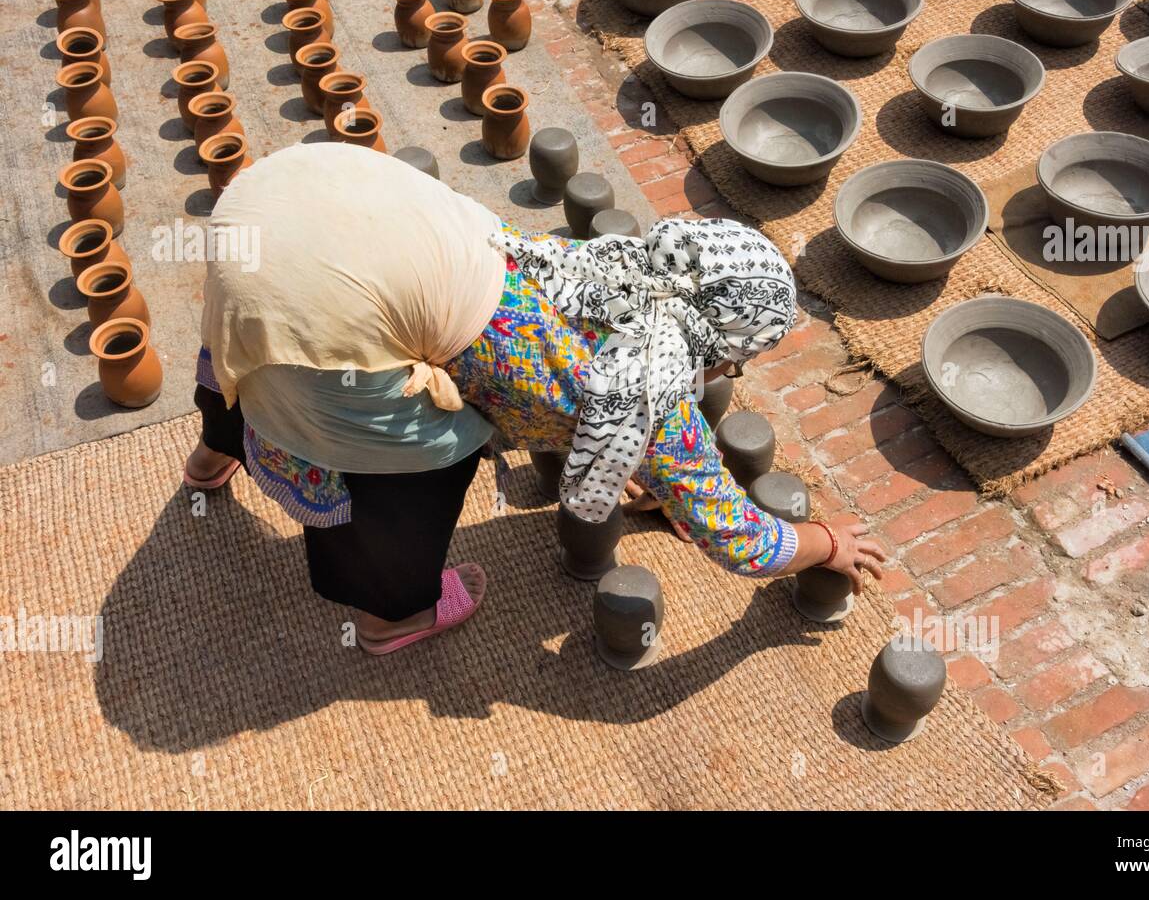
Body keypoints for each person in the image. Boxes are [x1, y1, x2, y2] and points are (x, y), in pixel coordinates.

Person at [186, 143, 886, 654]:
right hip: (318, 310)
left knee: (260, 329)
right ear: (719, 345)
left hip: (280, 204)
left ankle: (214, 456)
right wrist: (823, 544)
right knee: (432, 452)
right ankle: (390, 617)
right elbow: (735, 535)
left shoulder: (584, 261)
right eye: (735, 356)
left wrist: (627, 459)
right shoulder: (656, 395)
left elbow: (563, 374)